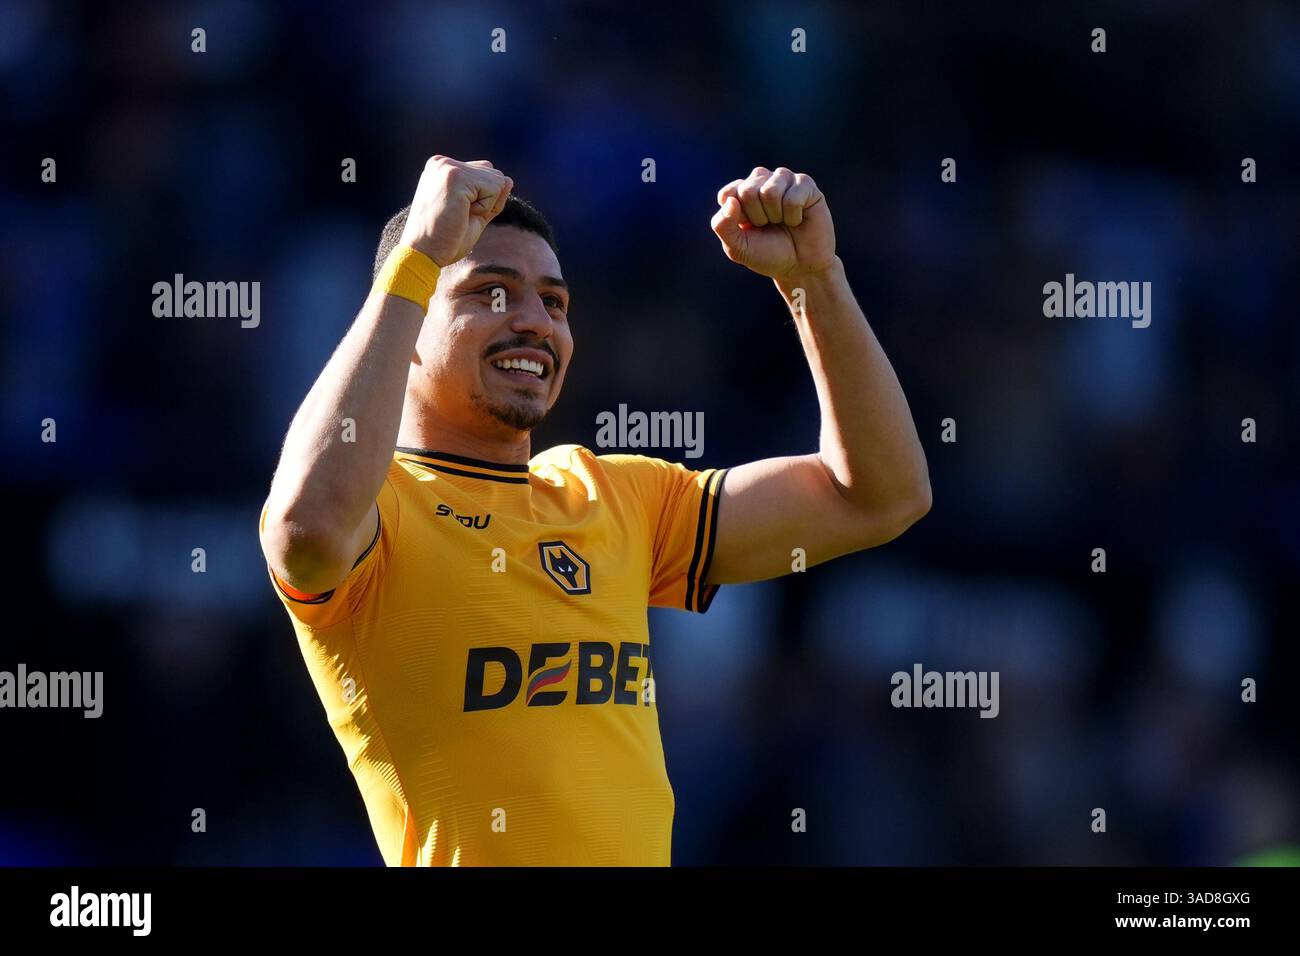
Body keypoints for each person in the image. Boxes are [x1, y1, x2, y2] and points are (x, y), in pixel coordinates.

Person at [259, 156, 931, 865]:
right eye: (491, 293)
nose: (533, 322)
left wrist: (813, 282)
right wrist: (419, 253)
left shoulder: (614, 495)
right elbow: (309, 529)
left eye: (554, 302)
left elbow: (879, 496)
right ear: (411, 316)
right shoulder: (381, 513)